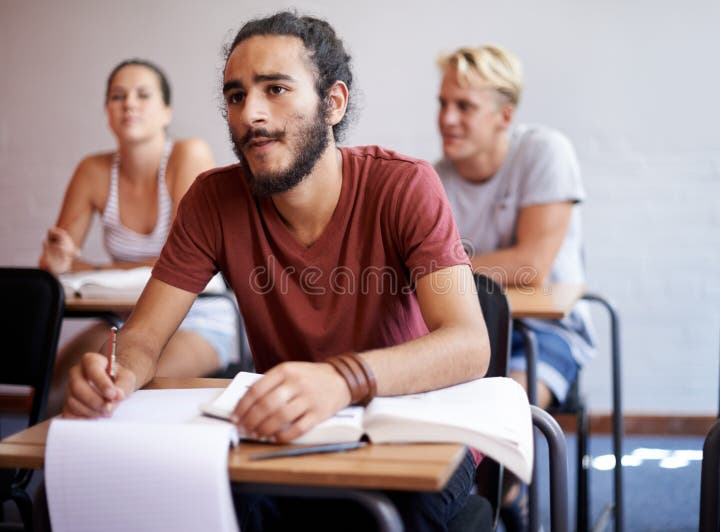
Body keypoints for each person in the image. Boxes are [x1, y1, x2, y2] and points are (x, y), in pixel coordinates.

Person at [62, 12, 489, 531]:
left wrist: (342, 379)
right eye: (236, 96)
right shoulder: (212, 200)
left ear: (333, 103)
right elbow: (144, 338)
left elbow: (469, 343)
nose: (250, 114)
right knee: (188, 500)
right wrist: (119, 373)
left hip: (412, 430)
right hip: (285, 436)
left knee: (382, 516)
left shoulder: (405, 185)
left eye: (276, 89)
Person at [435, 44, 596, 530]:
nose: (447, 118)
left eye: (464, 106)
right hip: (469, 331)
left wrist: (444, 268)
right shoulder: (434, 178)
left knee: (498, 419)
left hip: (546, 334)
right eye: (443, 103)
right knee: (436, 420)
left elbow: (531, 266)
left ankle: (501, 495)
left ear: (505, 116)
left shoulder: (544, 151)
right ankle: (496, 497)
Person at [39, 59, 237, 413]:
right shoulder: (92, 170)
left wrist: (93, 269)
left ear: (166, 112)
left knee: (125, 392)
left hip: (199, 315)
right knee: (54, 389)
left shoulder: (188, 154)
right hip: (122, 319)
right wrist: (57, 262)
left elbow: (180, 260)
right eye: (118, 96)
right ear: (107, 112)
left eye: (143, 95)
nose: (129, 103)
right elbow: (60, 264)